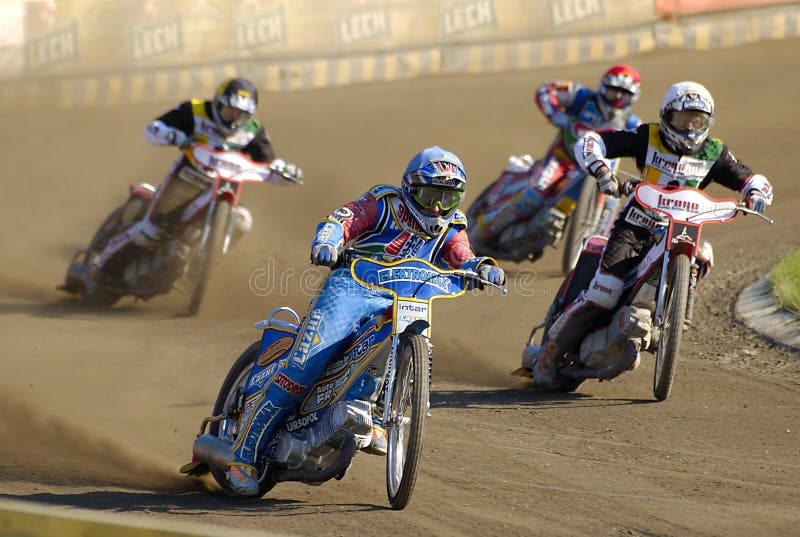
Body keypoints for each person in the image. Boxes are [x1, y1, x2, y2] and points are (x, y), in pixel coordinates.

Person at [225, 146, 506, 495]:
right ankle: (243, 456)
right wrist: (328, 240)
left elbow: (462, 255)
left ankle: (370, 413)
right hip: (352, 288)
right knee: (303, 368)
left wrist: (481, 268)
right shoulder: (385, 203)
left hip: (406, 297)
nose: (437, 207)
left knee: (401, 343)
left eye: (447, 199)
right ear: (410, 189)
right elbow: (343, 219)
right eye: (431, 195)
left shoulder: (454, 224)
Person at [525, 80, 774, 388]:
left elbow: (750, 177)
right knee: (605, 290)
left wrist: (756, 193)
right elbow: (591, 142)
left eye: (697, 121)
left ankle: (675, 313)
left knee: (705, 253)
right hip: (636, 224)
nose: (689, 129)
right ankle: (550, 353)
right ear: (667, 116)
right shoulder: (648, 135)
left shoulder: (715, 151)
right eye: (683, 120)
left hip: (683, 227)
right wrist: (603, 172)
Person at [92, 76, 297, 270]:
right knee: (150, 232)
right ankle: (97, 266)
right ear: (217, 104)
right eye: (228, 111)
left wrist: (285, 172)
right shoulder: (195, 110)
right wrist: (174, 136)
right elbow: (153, 130)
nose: (234, 120)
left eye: (241, 115)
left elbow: (269, 162)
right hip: (185, 181)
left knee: (244, 219)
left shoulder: (254, 131)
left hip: (223, 188)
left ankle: (206, 264)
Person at [469, 64, 642, 260]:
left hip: (599, 172)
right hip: (561, 160)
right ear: (603, 88)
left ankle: (594, 257)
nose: (617, 98)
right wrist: (557, 116)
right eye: (613, 92)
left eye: (624, 95)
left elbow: (647, 151)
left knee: (613, 200)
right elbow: (545, 90)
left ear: (633, 97)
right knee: (533, 196)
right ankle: (476, 236)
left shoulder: (633, 124)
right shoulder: (581, 96)